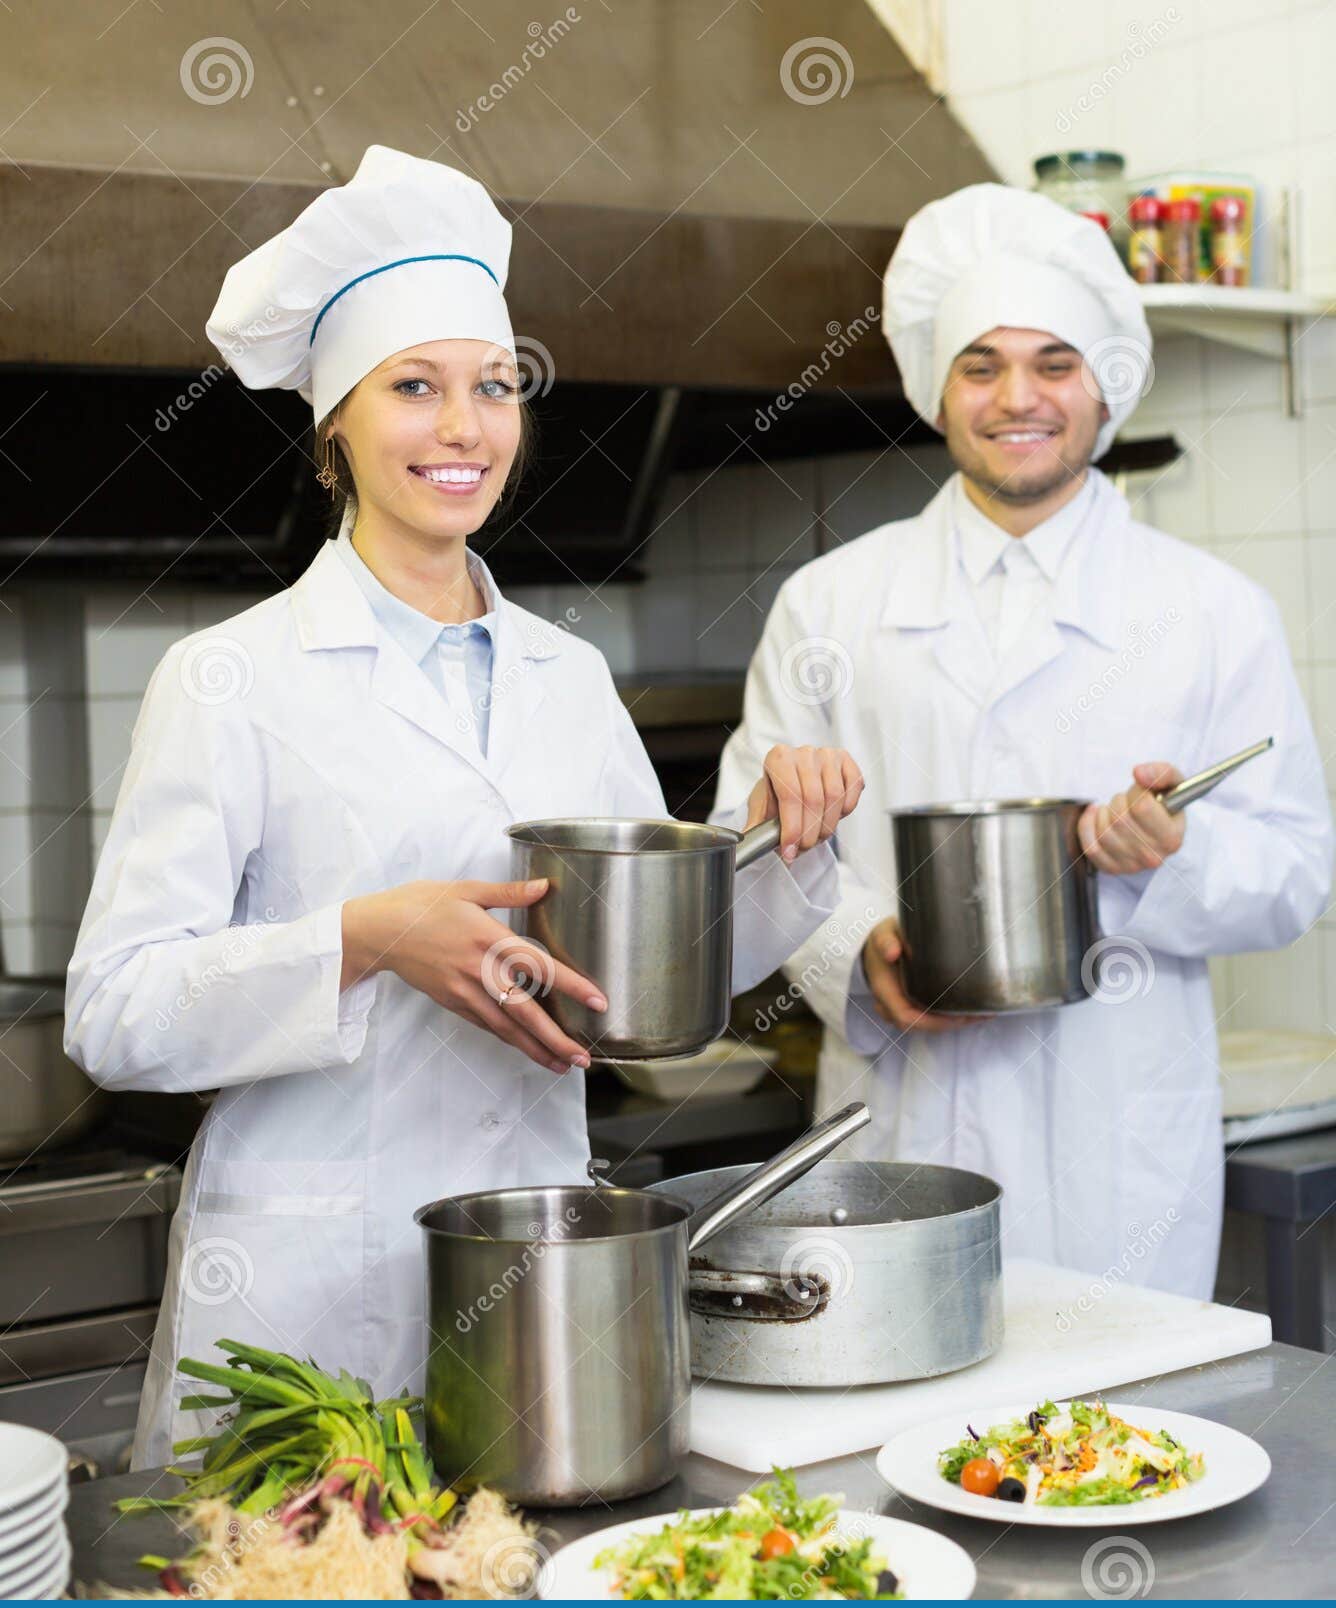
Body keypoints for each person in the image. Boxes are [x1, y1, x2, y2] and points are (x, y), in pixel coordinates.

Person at [65, 145, 864, 1469]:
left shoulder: (567, 673)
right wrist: (366, 939)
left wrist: (793, 836)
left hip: (535, 1282)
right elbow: (113, 1010)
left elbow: (652, 980)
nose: (463, 428)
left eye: (493, 387)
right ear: (337, 421)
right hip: (306, 1292)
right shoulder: (229, 676)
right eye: (415, 387)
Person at [712, 183, 1332, 1300]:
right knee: (887, 1449)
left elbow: (1295, 871)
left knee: (1108, 1449)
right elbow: (739, 852)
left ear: (1104, 386)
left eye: (1053, 363)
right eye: (981, 365)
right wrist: (855, 948)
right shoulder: (830, 604)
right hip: (896, 1127)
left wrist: (1168, 857)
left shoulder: (1210, 608)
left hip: (1116, 1151)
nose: (1018, 398)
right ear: (937, 393)